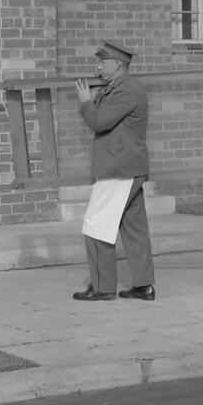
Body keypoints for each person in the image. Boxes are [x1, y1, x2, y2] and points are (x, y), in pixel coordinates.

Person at [72, 40, 156, 302]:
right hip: (126, 166)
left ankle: (103, 287)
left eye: (103, 62)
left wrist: (85, 102)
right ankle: (144, 286)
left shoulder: (126, 90)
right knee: (134, 228)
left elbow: (99, 121)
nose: (98, 67)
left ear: (118, 65)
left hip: (118, 169)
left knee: (96, 223)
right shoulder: (122, 88)